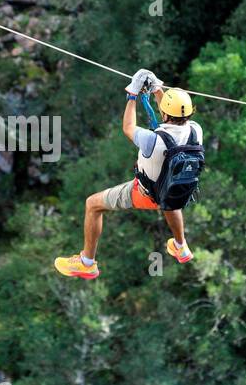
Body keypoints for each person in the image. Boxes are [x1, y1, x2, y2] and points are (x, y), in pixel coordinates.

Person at [54, 68, 203, 279]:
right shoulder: (196, 131)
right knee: (171, 199)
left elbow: (128, 127)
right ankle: (181, 245)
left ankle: (87, 262)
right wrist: (157, 90)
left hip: (145, 193)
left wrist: (132, 96)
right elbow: (171, 117)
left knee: (92, 204)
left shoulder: (152, 140)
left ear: (165, 113)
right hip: (178, 190)